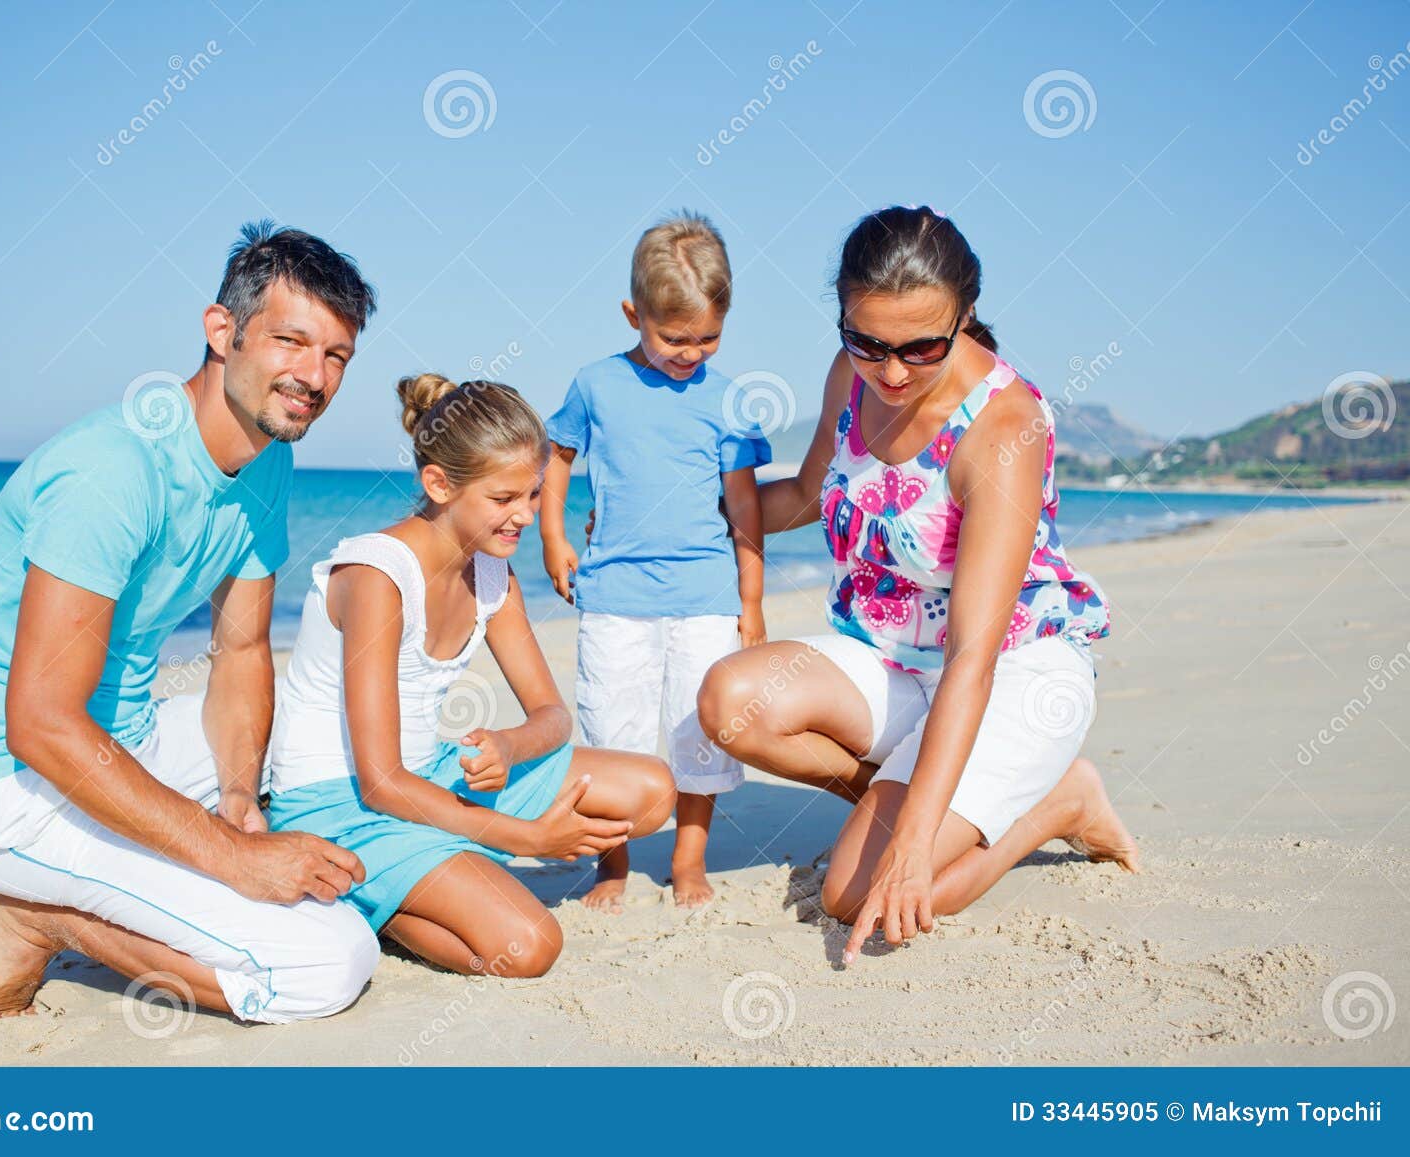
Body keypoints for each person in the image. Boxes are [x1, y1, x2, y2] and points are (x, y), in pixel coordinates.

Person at [0, 221, 382, 1023]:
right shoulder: (112, 471)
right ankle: (31, 914)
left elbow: (241, 647)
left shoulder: (267, 456)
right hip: (16, 783)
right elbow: (38, 724)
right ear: (221, 331)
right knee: (330, 962)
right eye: (290, 341)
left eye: (336, 355)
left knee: (312, 737)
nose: (313, 376)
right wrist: (235, 856)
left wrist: (240, 796)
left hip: (125, 735)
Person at [698, 206, 1139, 963]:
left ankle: (1058, 801)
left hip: (1010, 673)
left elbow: (975, 654)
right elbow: (807, 492)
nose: (892, 372)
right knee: (731, 705)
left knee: (856, 897)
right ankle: (920, 802)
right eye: (867, 341)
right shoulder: (853, 374)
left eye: (921, 346)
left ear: (965, 316)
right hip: (896, 661)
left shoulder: (1002, 429)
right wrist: (688, 507)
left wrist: (908, 847)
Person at [266, 374, 675, 976]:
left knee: (652, 791)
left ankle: (440, 858)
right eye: (504, 498)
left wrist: (511, 745)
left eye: (533, 495)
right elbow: (380, 783)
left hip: (429, 778)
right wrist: (524, 840)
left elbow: (553, 716)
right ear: (439, 485)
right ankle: (372, 895)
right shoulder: (378, 579)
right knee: (529, 946)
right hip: (339, 804)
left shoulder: (493, 575)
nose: (526, 517)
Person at [539, 212, 771, 910]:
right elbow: (556, 460)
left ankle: (689, 859)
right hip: (613, 593)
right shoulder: (595, 385)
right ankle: (612, 865)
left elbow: (745, 507)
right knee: (613, 733)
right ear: (632, 313)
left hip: (705, 595)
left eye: (708, 337)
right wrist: (553, 535)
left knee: (697, 732)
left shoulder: (727, 399)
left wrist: (751, 600)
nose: (690, 352)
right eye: (673, 337)